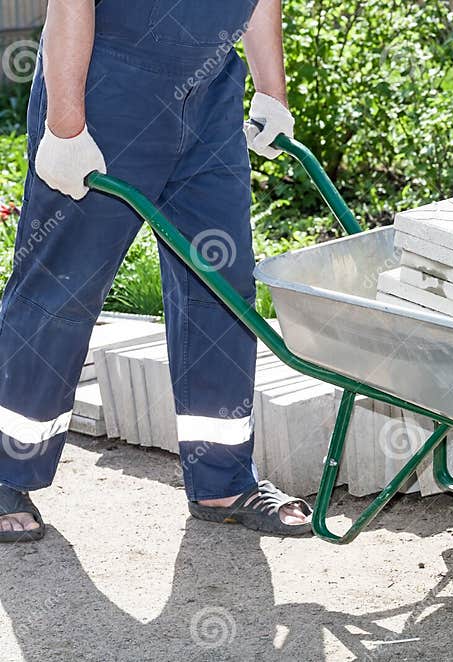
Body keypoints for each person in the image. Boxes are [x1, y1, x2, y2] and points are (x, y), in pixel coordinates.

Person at [0, 0, 313, 541]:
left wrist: (271, 92)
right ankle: (6, 471)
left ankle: (223, 478)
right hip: (107, 87)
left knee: (221, 287)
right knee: (61, 289)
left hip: (210, 93)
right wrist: (67, 125)